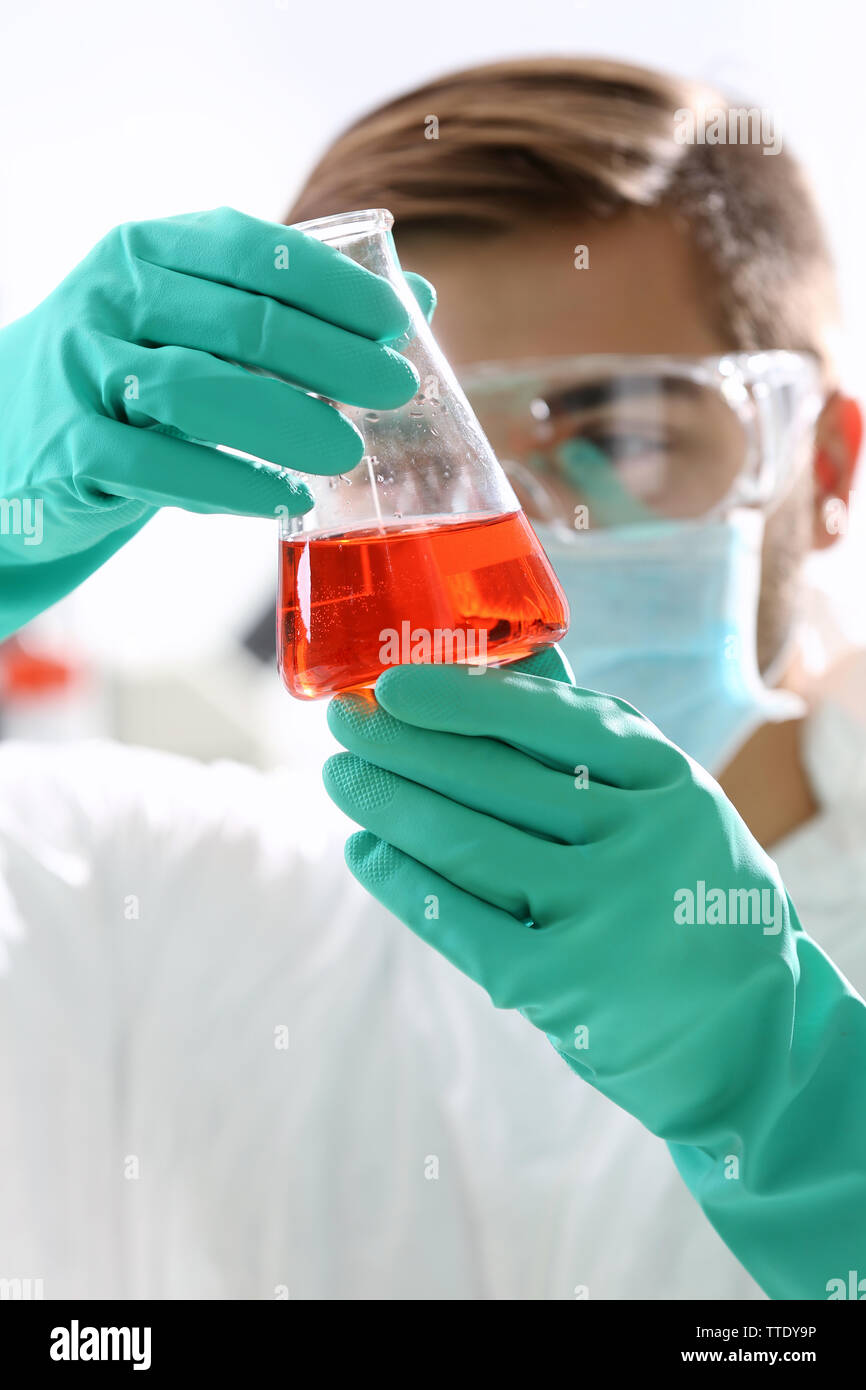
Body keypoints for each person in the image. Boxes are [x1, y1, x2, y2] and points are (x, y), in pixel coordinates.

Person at [0, 57, 864, 1301]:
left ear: (823, 468)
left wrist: (795, 1098)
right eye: (396, 453)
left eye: (613, 435)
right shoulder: (149, 904)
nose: (504, 555)